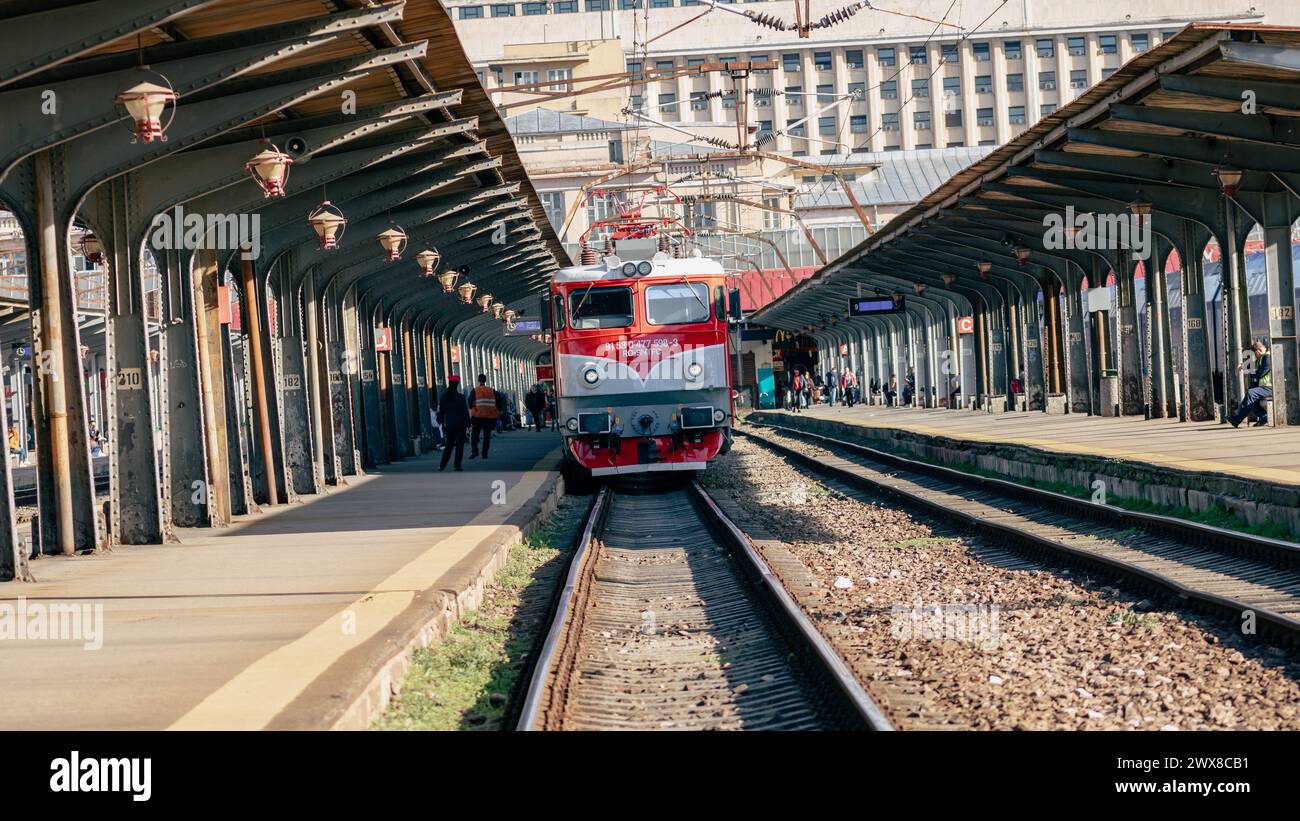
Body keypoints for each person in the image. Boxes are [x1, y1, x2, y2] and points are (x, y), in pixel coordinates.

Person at [1229, 340, 1272, 428]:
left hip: (1270, 388)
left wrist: (1249, 372)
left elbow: (1261, 373)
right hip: (1264, 388)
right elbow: (1251, 365)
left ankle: (1237, 419)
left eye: (1255, 354)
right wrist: (1241, 366)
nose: (1255, 356)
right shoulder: (1260, 358)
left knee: (1251, 393)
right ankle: (1263, 416)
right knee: (1250, 397)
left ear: (1258, 351)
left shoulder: (1267, 358)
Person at [437, 375, 470, 471]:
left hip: (449, 424)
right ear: (457, 384)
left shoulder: (444, 397)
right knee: (459, 446)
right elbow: (465, 411)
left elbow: (441, 412)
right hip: (460, 424)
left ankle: (442, 465)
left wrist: (442, 423)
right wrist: (468, 423)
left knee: (449, 446)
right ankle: (457, 465)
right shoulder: (461, 397)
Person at [469, 373, 499, 459]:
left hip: (478, 416)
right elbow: (499, 400)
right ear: (485, 381)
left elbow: (470, 403)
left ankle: (475, 451)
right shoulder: (491, 390)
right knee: (486, 437)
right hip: (489, 417)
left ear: (478, 380)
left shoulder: (475, 390)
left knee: (474, 435)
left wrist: (473, 407)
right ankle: (484, 453)